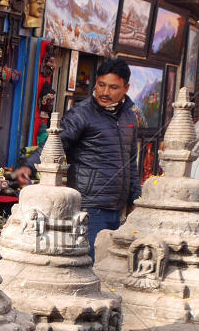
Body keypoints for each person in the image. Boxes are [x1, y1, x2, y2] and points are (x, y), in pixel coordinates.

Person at [59, 57, 140, 259]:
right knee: (89, 263)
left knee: (109, 266)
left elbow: (131, 162)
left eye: (113, 87)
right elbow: (56, 144)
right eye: (101, 85)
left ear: (126, 88)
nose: (105, 92)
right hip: (90, 205)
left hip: (117, 207)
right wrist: (28, 166)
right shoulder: (81, 114)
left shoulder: (129, 117)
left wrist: (134, 199)